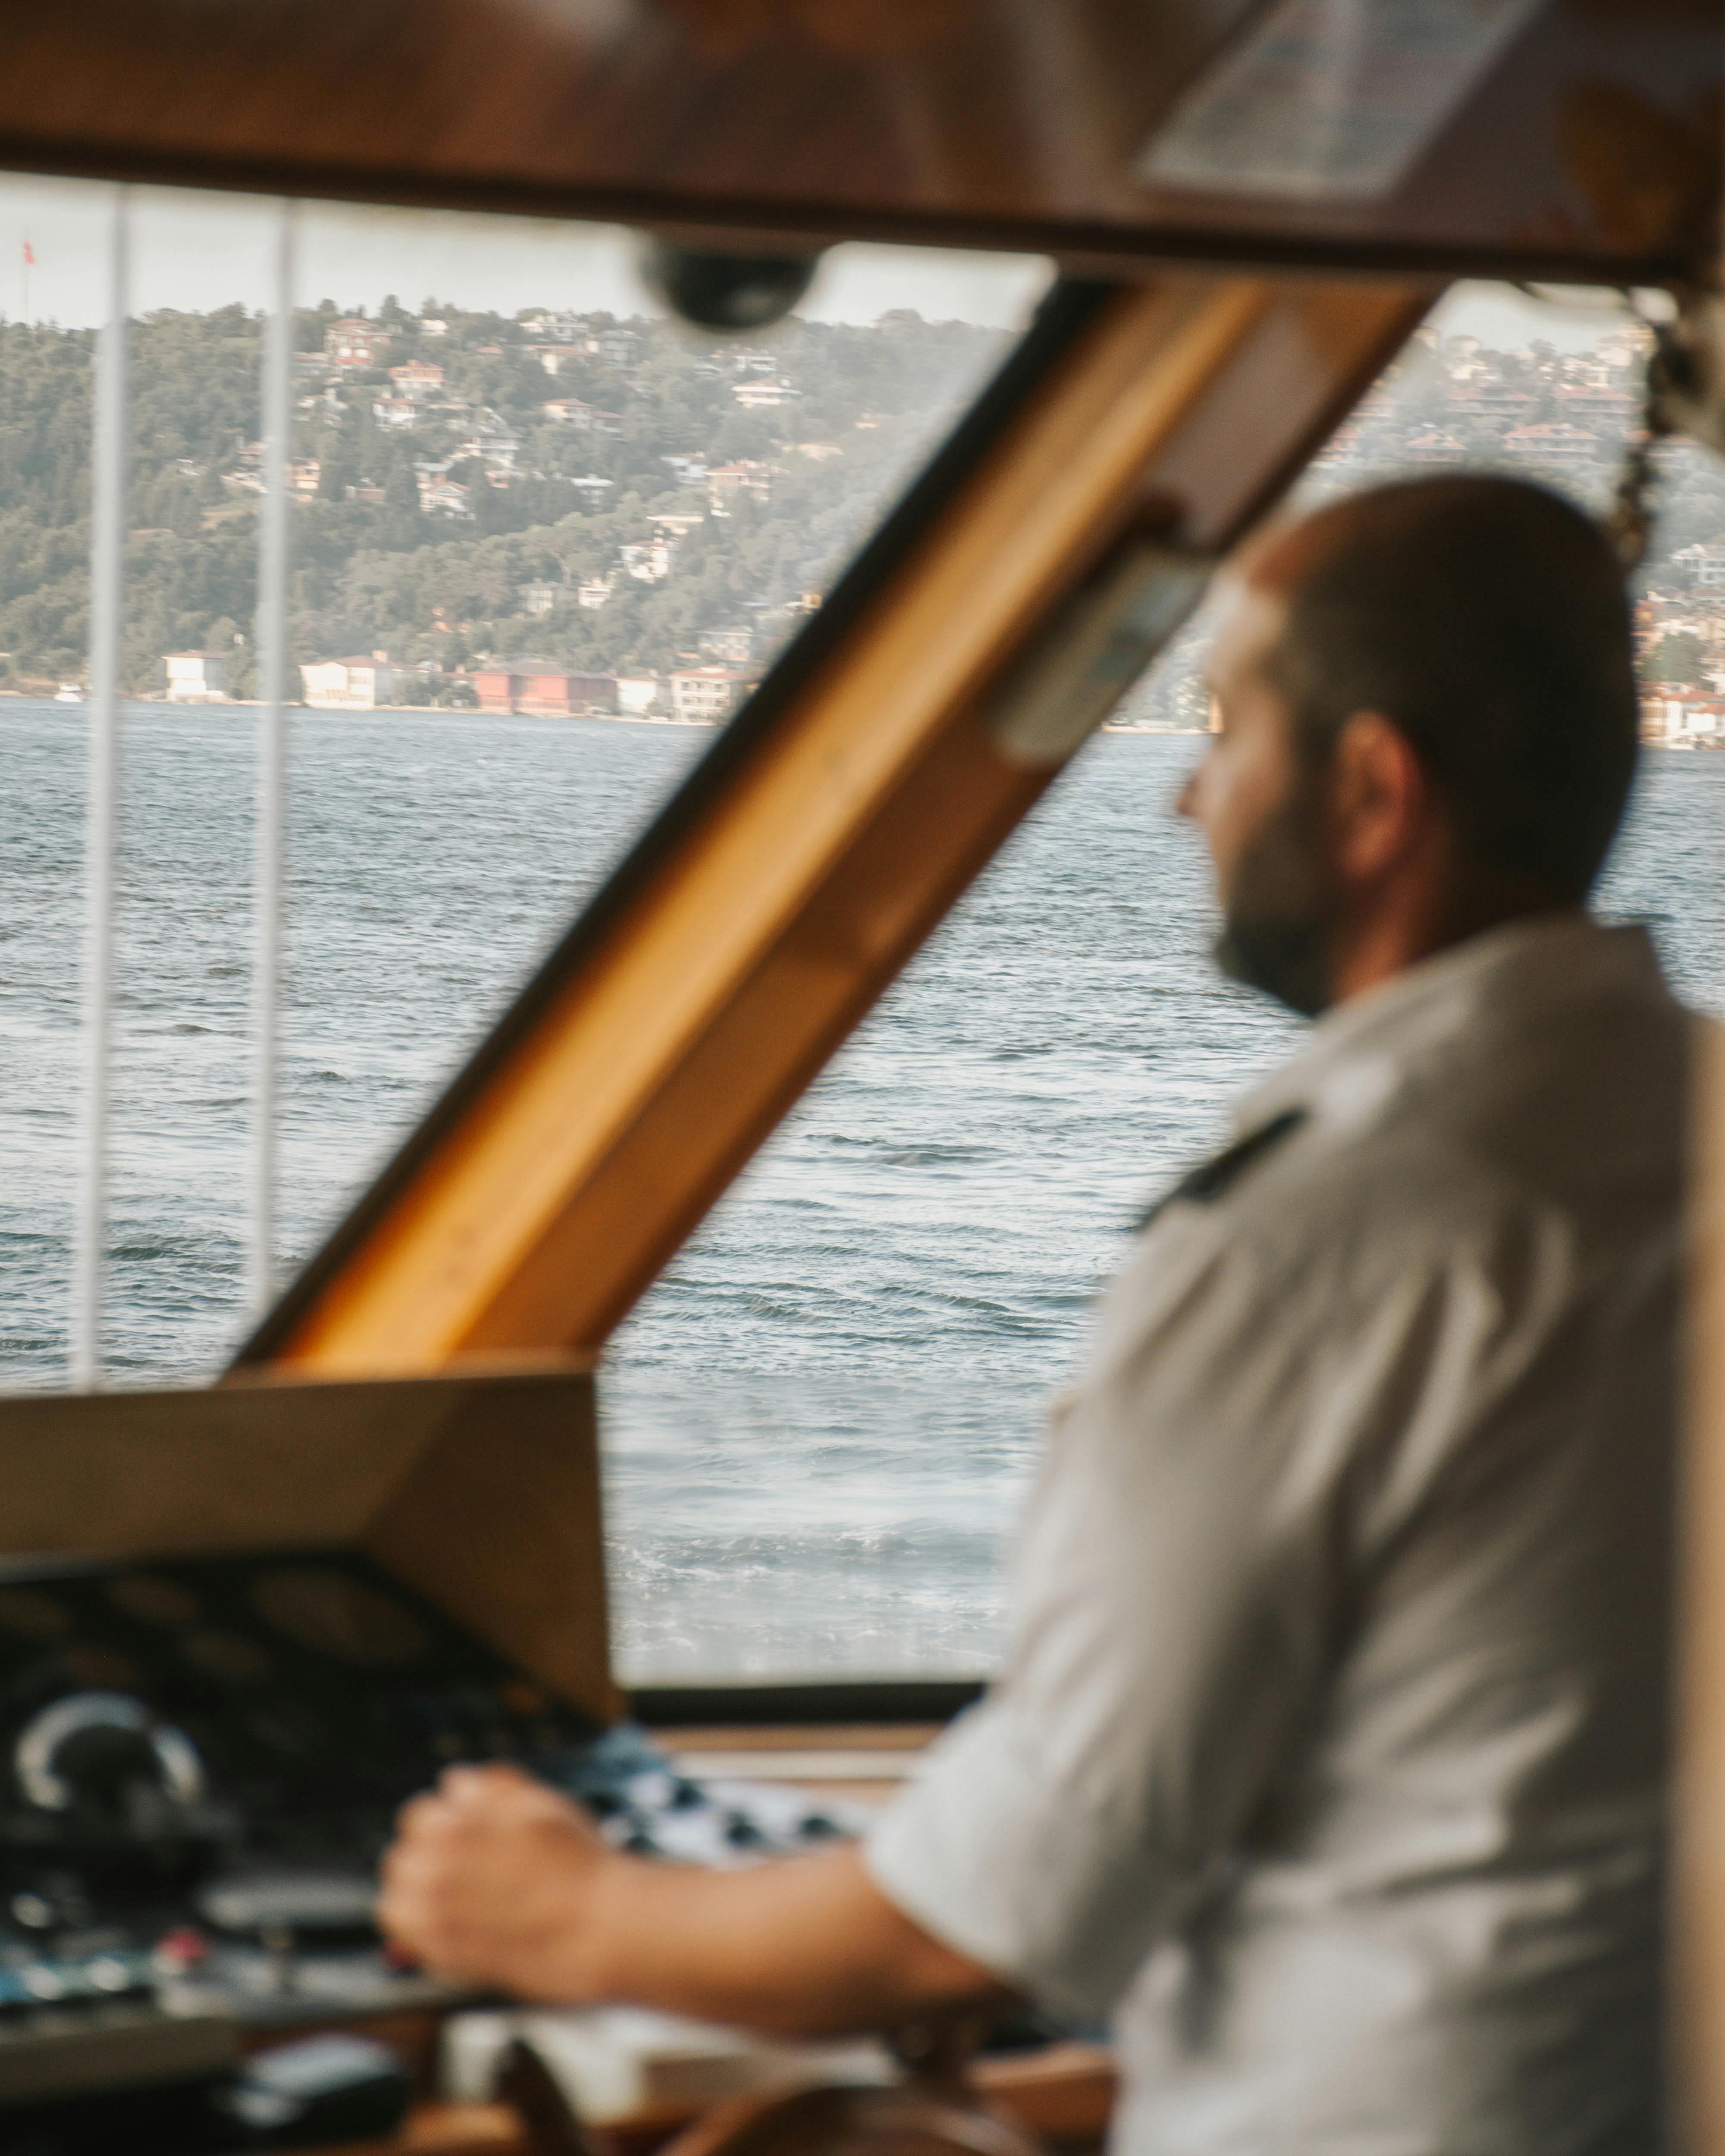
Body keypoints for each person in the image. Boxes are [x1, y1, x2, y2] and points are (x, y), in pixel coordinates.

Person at [379, 475, 1686, 2155]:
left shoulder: (1323, 1240)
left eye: (1226, 726)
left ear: (1371, 788)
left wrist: (561, 1913)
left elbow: (977, 1917)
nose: (1185, 794)